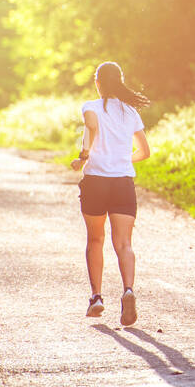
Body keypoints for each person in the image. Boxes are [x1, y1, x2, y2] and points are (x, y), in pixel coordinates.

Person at [71, 61, 151, 325]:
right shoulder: (130, 112)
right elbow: (145, 152)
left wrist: (83, 157)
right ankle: (128, 290)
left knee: (96, 240)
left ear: (97, 83)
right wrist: (121, 158)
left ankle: (96, 297)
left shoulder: (90, 107)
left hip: (96, 182)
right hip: (123, 182)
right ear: (120, 81)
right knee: (124, 244)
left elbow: (91, 130)